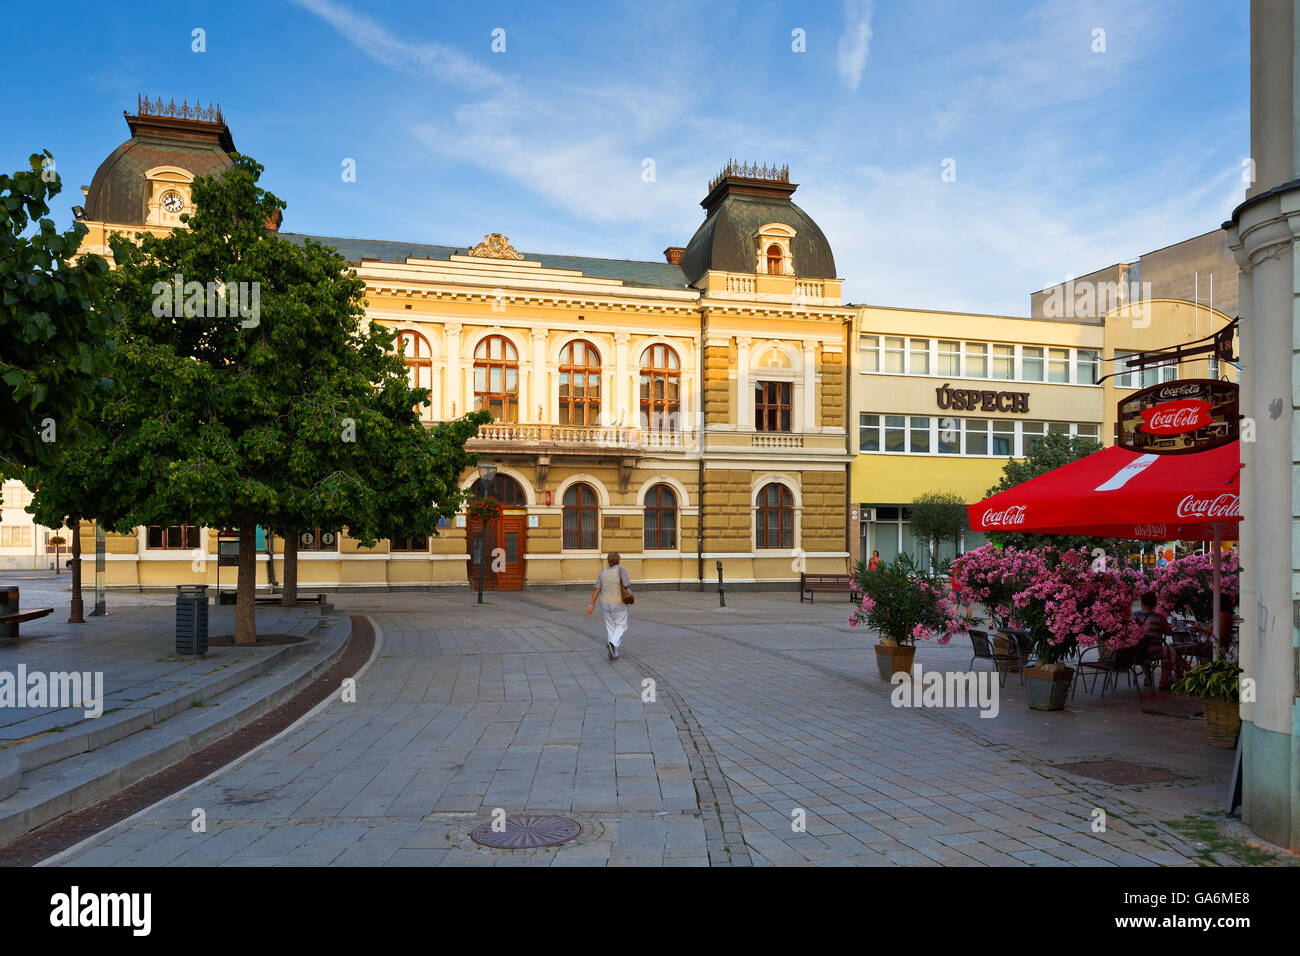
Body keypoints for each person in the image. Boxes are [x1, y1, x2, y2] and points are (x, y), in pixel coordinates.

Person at [587, 551, 632, 660]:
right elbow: (626, 585)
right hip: (619, 603)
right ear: (618, 560)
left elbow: (597, 589)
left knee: (611, 627)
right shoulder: (621, 570)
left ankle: (614, 653)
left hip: (605, 604)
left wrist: (591, 604)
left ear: (608, 560)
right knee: (621, 626)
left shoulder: (602, 572)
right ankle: (612, 644)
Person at [1136, 590, 1179, 690]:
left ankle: (1148, 678)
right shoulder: (1160, 617)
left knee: (1143, 649)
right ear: (1155, 604)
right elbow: (1169, 633)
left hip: (1138, 651)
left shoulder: (1136, 616)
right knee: (1170, 651)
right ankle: (1164, 681)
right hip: (1154, 651)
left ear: (1142, 603)